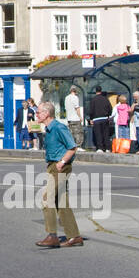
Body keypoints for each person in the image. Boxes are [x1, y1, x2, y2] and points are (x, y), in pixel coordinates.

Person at [35, 102, 82, 247]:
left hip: (60, 167)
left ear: (46, 114)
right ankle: (74, 237)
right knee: (61, 201)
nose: (36, 114)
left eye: (38, 112)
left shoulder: (58, 127)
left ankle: (52, 235)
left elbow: (72, 147)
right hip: (53, 166)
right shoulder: (49, 129)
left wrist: (62, 162)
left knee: (46, 198)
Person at [88, 86, 113, 153]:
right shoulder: (105, 99)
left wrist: (91, 118)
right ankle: (107, 148)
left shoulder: (93, 100)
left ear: (96, 91)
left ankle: (100, 148)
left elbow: (91, 110)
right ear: (101, 90)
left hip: (96, 119)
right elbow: (110, 108)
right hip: (105, 118)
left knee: (98, 134)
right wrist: (108, 115)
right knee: (106, 134)